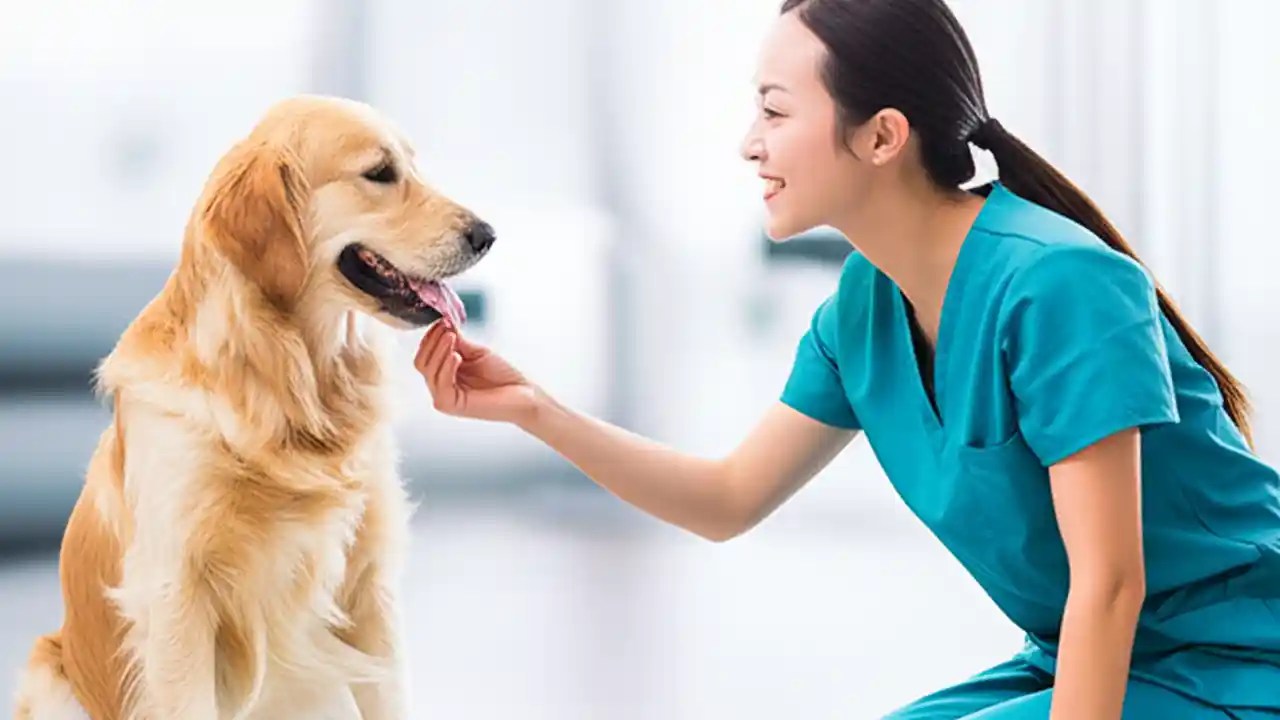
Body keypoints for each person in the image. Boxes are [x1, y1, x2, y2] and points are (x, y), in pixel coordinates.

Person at [413, 0, 1280, 717]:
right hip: (1091, 658)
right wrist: (535, 408)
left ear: (882, 136)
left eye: (776, 111)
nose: (749, 143)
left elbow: (1111, 584)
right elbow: (726, 500)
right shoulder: (859, 311)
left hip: (1237, 656)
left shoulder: (1060, 284)